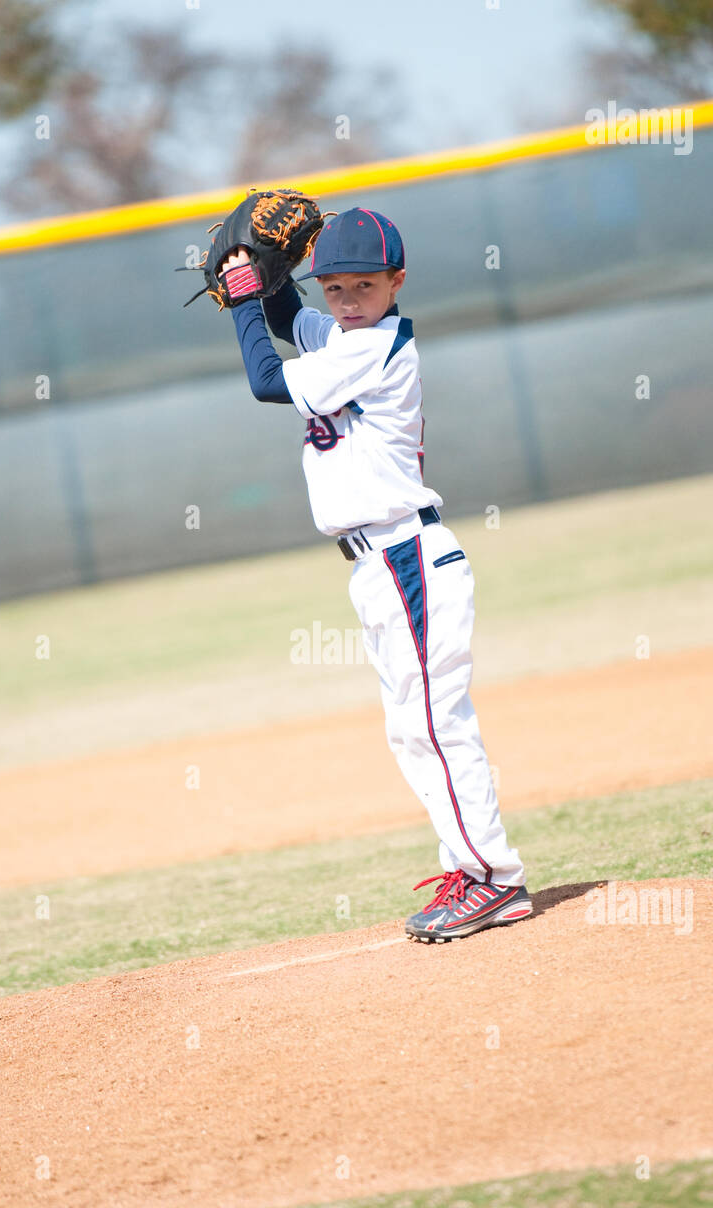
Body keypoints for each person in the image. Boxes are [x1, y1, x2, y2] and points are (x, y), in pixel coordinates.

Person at [223, 206, 532, 942]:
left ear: (396, 281)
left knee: (433, 722)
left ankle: (493, 879)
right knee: (412, 729)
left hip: (404, 557)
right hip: (379, 565)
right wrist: (264, 281)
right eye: (334, 287)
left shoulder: (375, 345)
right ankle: (472, 870)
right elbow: (290, 319)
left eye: (363, 285)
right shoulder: (344, 335)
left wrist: (239, 296)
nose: (347, 299)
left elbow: (267, 381)